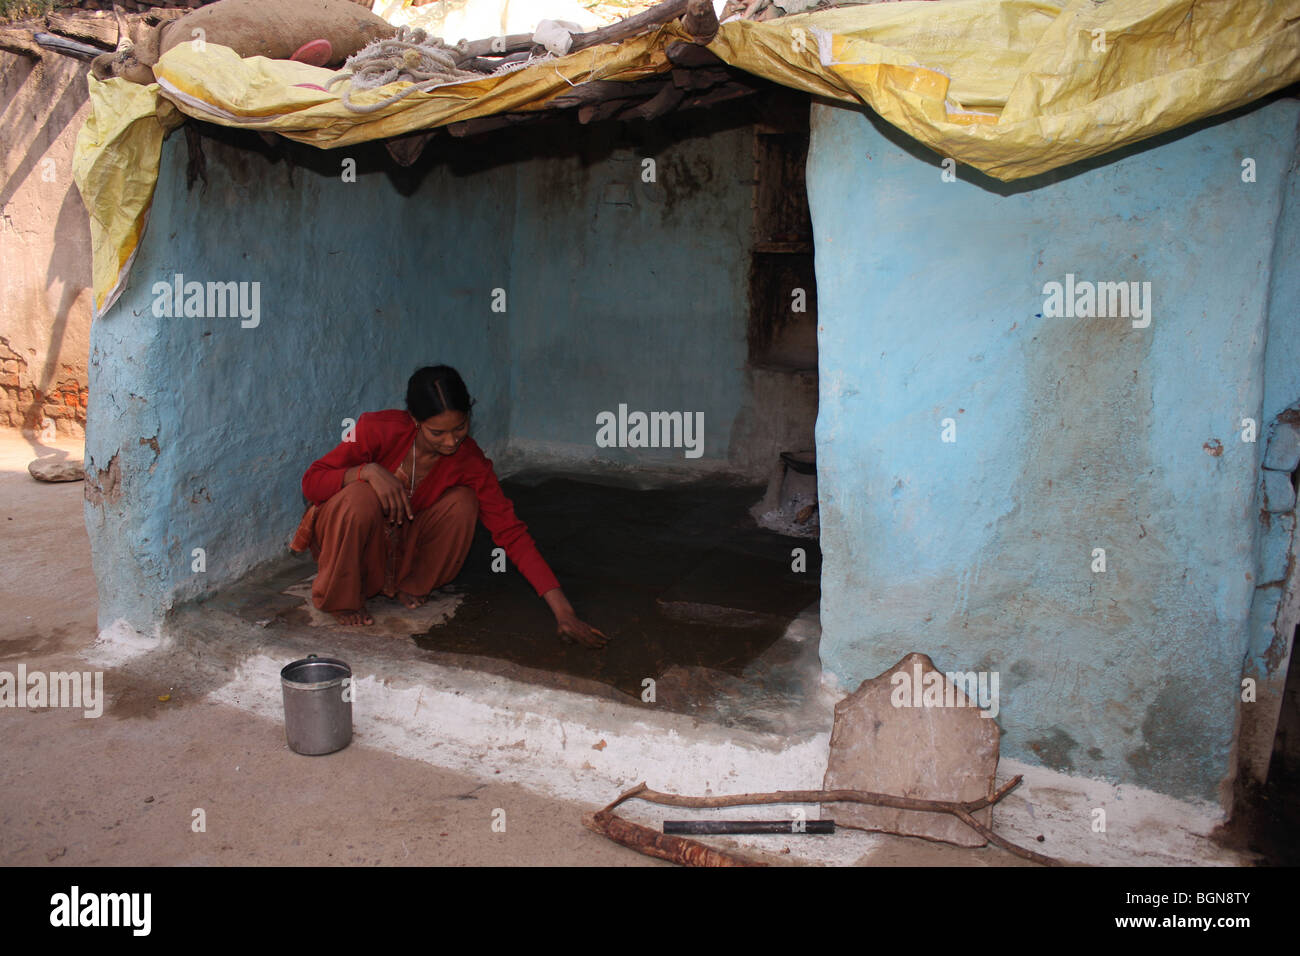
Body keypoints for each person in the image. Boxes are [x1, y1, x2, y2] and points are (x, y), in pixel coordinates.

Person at [291, 365, 608, 648]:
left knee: (463, 502)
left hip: (403, 546)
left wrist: (564, 611)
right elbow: (312, 482)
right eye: (437, 432)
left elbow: (511, 533)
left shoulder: (470, 461)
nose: (450, 442)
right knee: (358, 496)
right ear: (415, 420)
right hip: (354, 540)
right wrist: (368, 472)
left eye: (460, 428)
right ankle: (342, 598)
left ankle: (411, 582)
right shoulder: (377, 429)